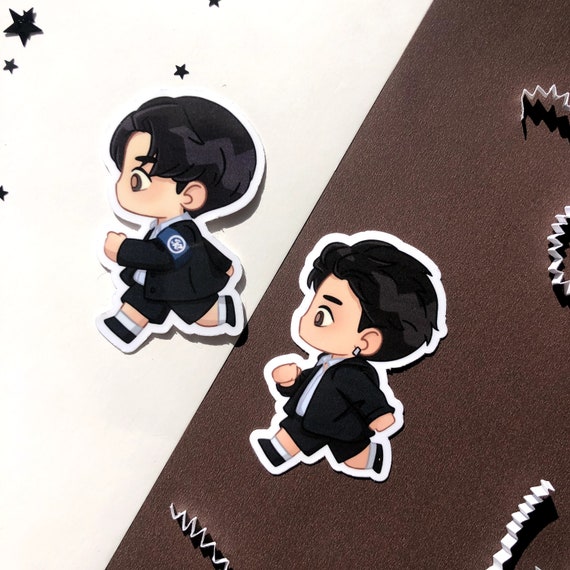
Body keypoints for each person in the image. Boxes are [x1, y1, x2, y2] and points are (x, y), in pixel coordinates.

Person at [250, 232, 446, 481]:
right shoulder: (324, 361)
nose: (305, 317)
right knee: (343, 450)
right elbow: (309, 385)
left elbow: (365, 394)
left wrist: (379, 414)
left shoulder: (349, 373)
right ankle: (370, 458)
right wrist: (290, 382)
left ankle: (369, 458)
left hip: (332, 422)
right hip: (320, 418)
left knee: (339, 449)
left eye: (322, 315)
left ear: (367, 340)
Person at [97, 95, 263, 352]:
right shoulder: (165, 228)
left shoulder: (179, 233)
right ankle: (121, 328)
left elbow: (161, 255)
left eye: (137, 180)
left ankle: (227, 312)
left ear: (190, 195)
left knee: (199, 313)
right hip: (155, 285)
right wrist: (225, 264)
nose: (120, 186)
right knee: (140, 302)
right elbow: (206, 246)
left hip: (180, 287)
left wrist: (122, 250)